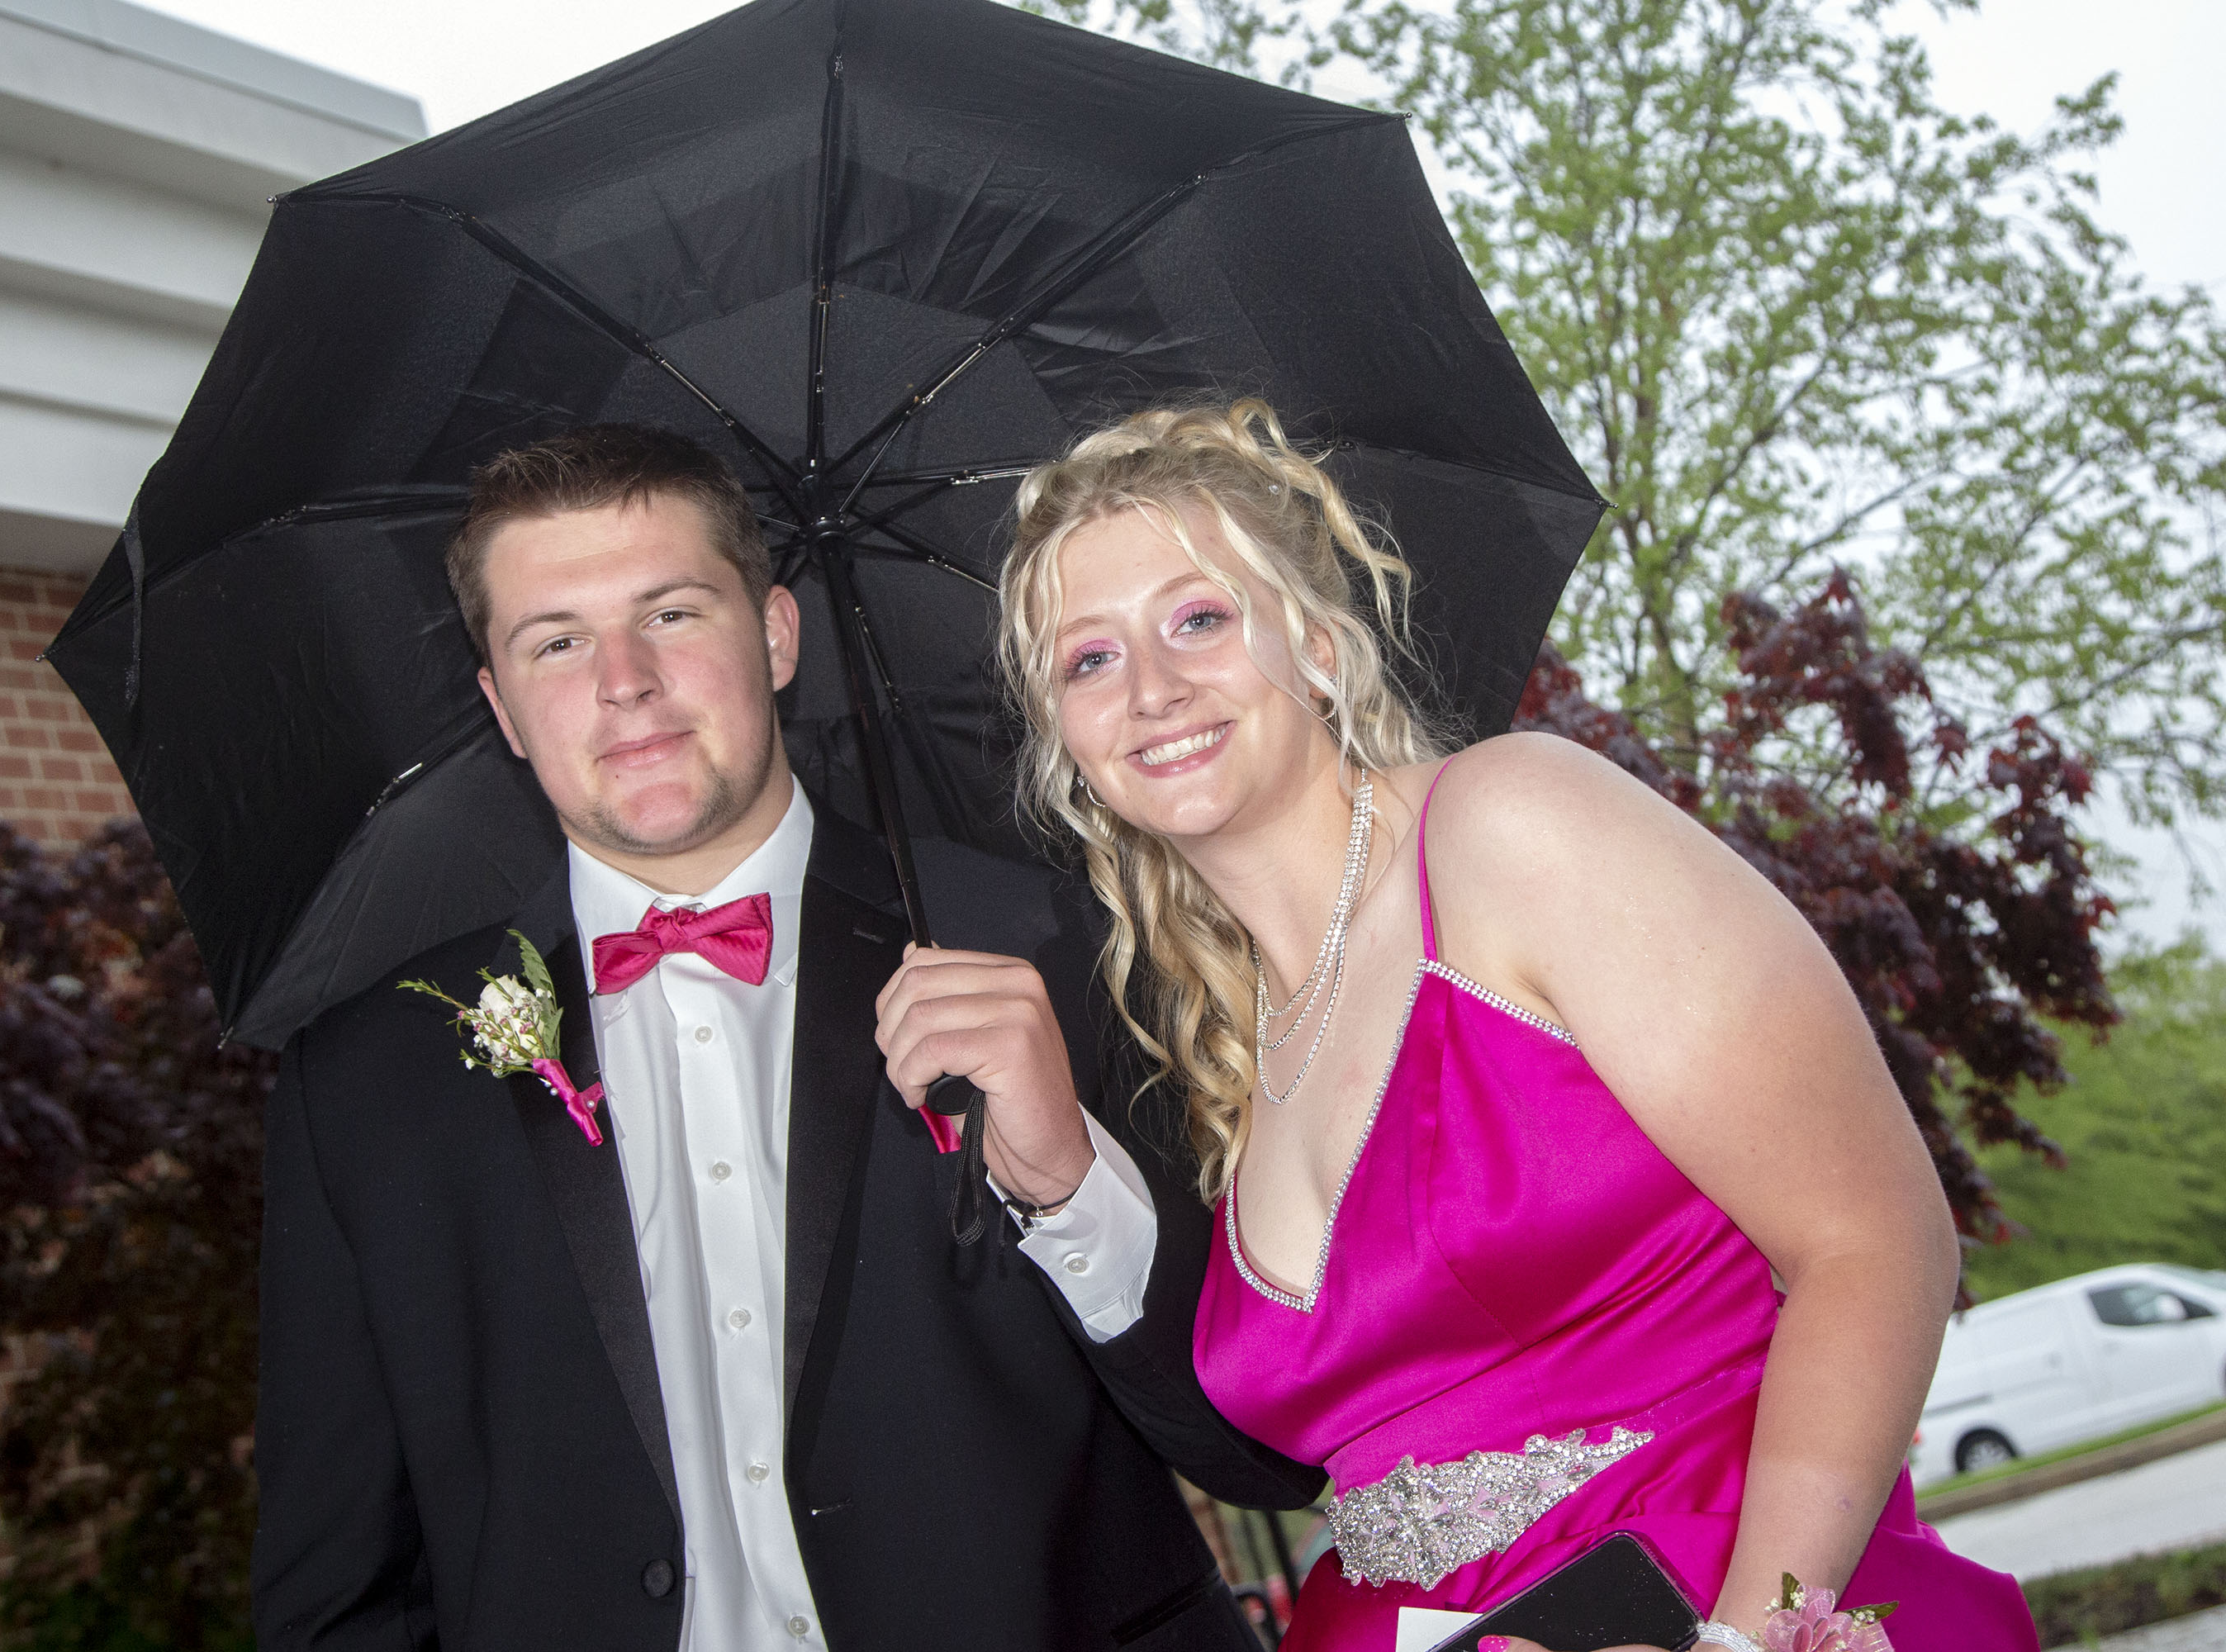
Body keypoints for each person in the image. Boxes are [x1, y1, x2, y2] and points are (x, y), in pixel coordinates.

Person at [251, 424, 1321, 1652]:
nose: (624, 681)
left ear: (775, 635)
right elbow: (338, 1596)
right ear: (500, 704)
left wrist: (1073, 1181)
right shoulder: (367, 1083)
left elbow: (1264, 1452)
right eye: (558, 642)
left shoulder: (1052, 937)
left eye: (671, 613)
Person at [993, 400, 2039, 1652]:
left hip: (1706, 1593)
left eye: (1199, 618)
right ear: (1067, 741)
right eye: (1089, 659)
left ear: (1319, 647)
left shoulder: (1508, 830)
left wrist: (1746, 1641)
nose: (1152, 689)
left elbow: (1873, 1240)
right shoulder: (1235, 1052)